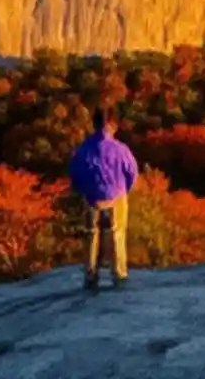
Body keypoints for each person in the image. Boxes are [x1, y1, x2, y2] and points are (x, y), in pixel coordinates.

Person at [68, 107, 139, 290]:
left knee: (92, 235)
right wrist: (124, 190)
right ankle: (119, 273)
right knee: (117, 234)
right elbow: (132, 173)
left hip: (91, 197)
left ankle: (91, 275)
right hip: (117, 196)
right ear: (113, 125)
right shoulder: (121, 149)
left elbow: (74, 174)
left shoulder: (83, 149)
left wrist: (85, 190)